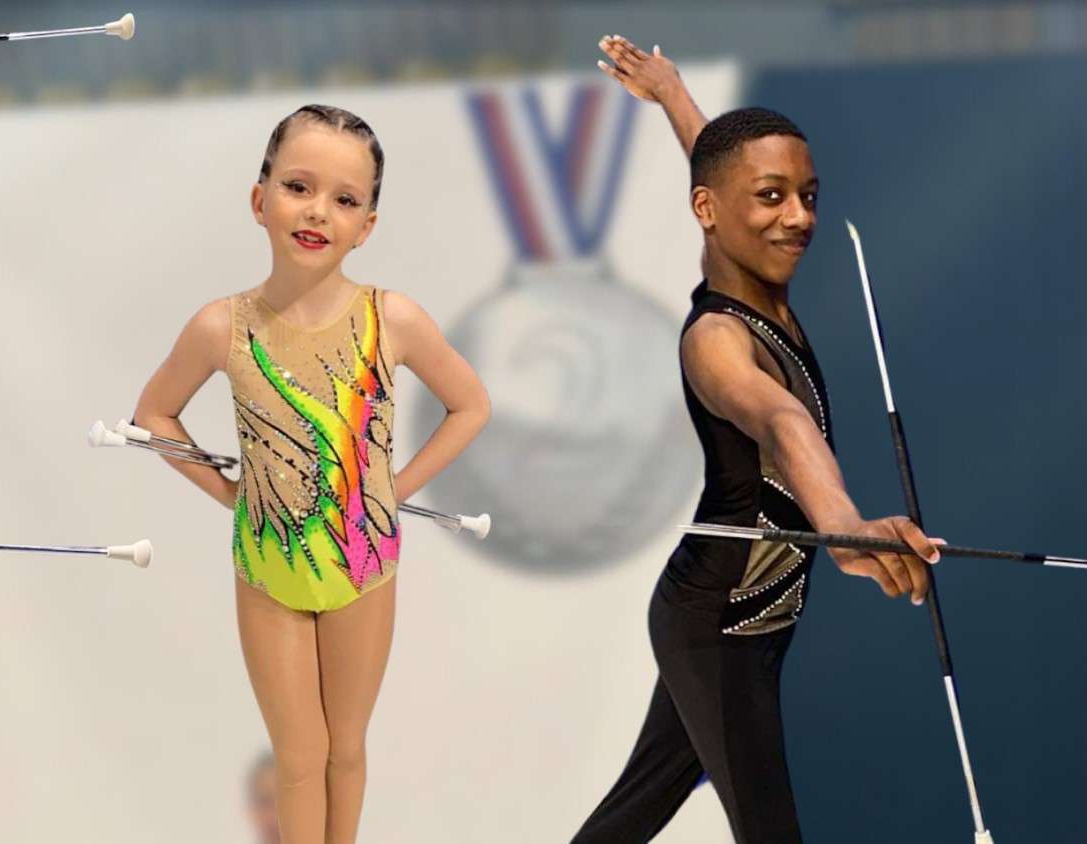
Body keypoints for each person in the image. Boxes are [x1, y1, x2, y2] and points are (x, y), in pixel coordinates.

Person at [571, 37, 942, 844]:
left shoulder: (758, 279)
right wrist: (842, 526)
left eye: (807, 195)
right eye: (773, 198)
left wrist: (672, 95)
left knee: (632, 812)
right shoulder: (716, 339)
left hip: (740, 616)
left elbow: (721, 167)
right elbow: (783, 421)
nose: (798, 217)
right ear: (709, 209)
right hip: (721, 620)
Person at [130, 104, 490, 843]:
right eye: (298, 186)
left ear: (368, 225)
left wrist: (396, 489)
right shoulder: (221, 326)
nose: (318, 210)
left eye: (345, 199)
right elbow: (154, 417)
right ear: (259, 199)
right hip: (267, 564)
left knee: (346, 748)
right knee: (299, 754)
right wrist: (230, 494)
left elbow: (469, 405)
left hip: (365, 561)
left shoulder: (393, 319)